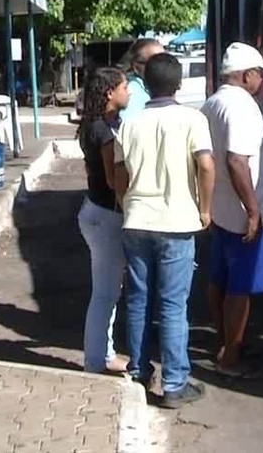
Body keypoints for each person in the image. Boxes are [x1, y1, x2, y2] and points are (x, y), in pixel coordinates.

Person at [114, 53, 215, 408]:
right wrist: (204, 208)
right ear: (179, 84)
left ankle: (140, 372)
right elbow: (205, 165)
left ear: (146, 83)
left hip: (137, 220)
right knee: (173, 305)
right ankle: (174, 384)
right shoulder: (192, 119)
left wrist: (126, 203)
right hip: (177, 223)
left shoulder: (129, 123)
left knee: (139, 300)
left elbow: (119, 176)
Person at [200, 42, 263, 379]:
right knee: (241, 286)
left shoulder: (212, 103)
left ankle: (225, 341)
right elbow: (237, 161)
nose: (261, 79)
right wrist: (252, 210)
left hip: (221, 208)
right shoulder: (241, 107)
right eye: (259, 73)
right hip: (241, 213)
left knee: (219, 278)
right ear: (247, 74)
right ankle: (231, 357)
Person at [75, 66, 131, 375]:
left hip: (95, 212)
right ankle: (95, 362)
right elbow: (114, 180)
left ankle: (103, 355)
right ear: (110, 92)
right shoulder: (105, 131)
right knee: (105, 294)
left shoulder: (97, 124)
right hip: (106, 216)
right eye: (124, 87)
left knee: (108, 291)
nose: (130, 91)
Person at [118, 37, 164, 122]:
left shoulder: (153, 87)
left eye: (165, 60)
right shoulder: (132, 90)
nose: (162, 66)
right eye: (155, 62)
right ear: (136, 66)